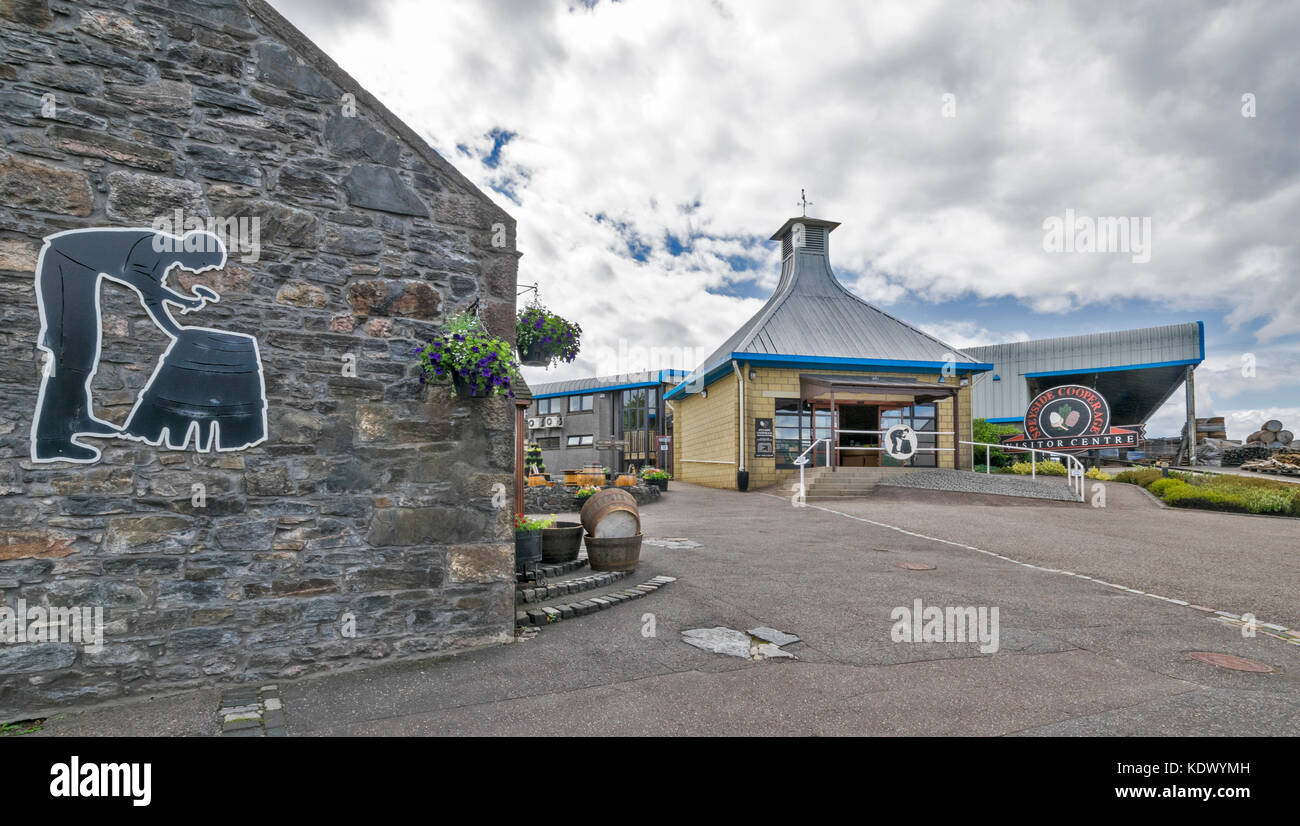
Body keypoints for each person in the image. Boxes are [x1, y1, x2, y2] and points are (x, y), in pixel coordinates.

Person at [31, 228, 224, 462]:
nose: (202, 269)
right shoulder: (154, 249)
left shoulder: (162, 251)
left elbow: (148, 287)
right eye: (205, 262)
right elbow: (150, 297)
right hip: (63, 262)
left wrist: (182, 300)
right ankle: (52, 442)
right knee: (68, 353)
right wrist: (177, 332)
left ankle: (79, 418)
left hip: (80, 269)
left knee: (85, 353)